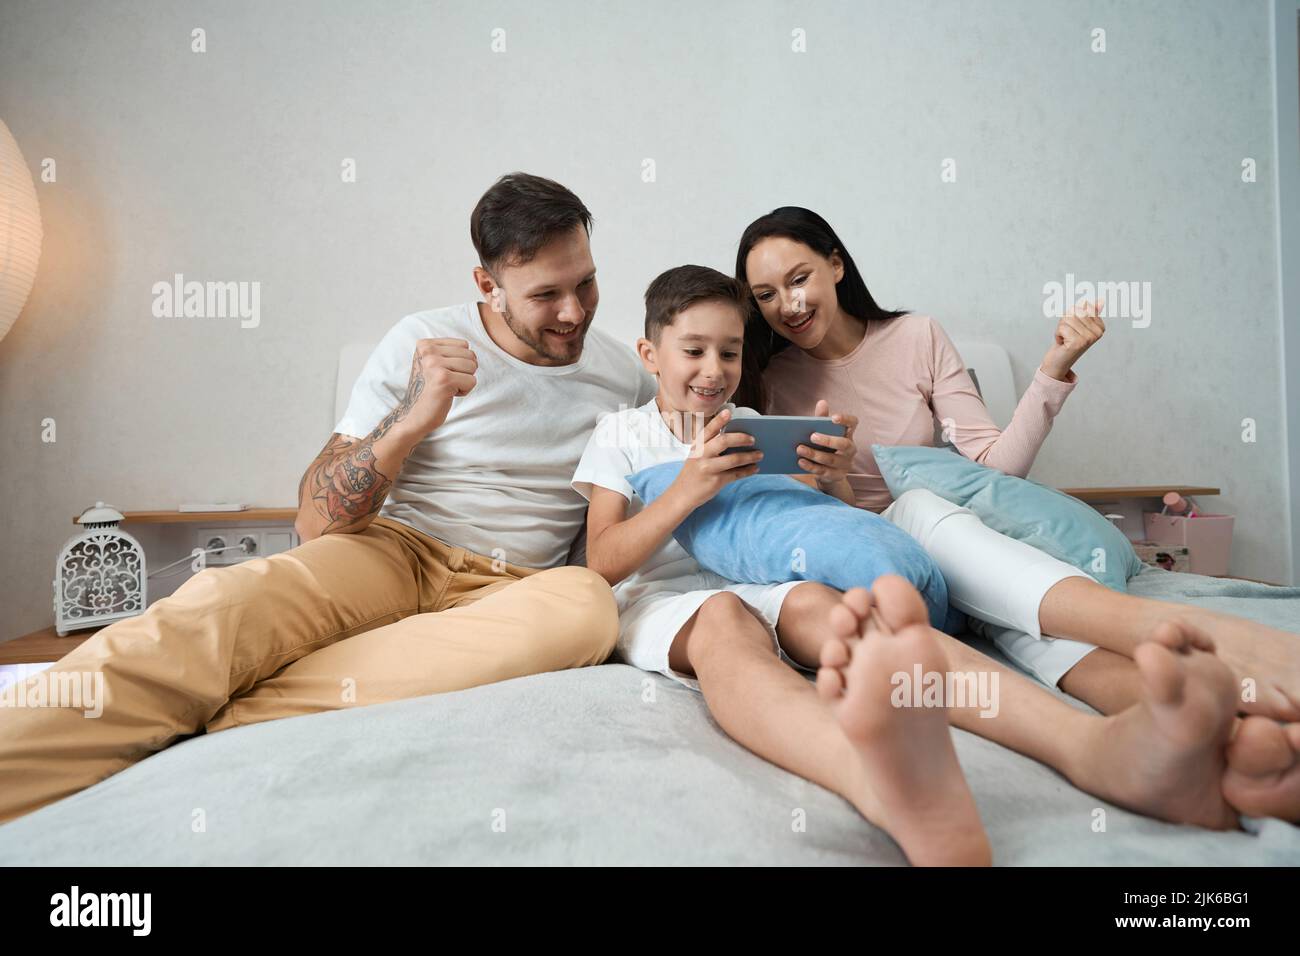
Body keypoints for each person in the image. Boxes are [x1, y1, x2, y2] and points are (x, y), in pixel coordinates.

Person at [573, 263, 1298, 865]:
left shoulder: (760, 427)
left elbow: (822, 526)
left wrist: (829, 473)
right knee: (724, 622)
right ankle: (876, 779)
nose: (713, 370)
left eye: (729, 353)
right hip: (672, 597)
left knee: (853, 622)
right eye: (692, 351)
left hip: (772, 580)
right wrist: (687, 489)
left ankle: (1094, 748)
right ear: (649, 356)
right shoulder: (623, 434)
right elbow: (600, 560)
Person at [0, 172, 657, 825]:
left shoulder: (624, 375)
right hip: (395, 552)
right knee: (220, 603)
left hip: (516, 586)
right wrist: (410, 418)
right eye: (546, 294)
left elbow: (657, 476)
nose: (573, 312)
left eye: (586, 283)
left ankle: (236, 712)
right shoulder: (421, 340)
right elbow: (316, 521)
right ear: (487, 284)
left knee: (587, 609)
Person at [732, 206, 1300, 733]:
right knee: (917, 508)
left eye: (798, 278)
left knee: (1024, 627)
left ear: (835, 265)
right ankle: (1173, 633)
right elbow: (810, 520)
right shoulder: (771, 382)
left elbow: (995, 465)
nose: (788, 304)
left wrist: (1053, 370)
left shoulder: (915, 336)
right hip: (880, 558)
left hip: (960, 544)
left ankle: (1209, 729)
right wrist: (829, 477)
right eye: (766, 295)